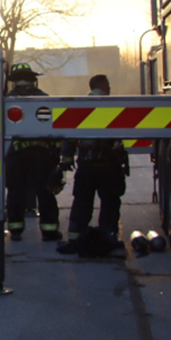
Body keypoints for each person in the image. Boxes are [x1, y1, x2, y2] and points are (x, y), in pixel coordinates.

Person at [57, 74, 130, 254]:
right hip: (109, 166)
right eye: (109, 86)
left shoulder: (80, 106)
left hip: (87, 166)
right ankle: (109, 238)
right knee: (110, 203)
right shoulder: (113, 107)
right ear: (103, 86)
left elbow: (69, 136)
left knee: (82, 202)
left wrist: (66, 160)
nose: (110, 89)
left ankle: (75, 240)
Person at [3, 63, 63, 242]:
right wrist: (56, 154)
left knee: (15, 192)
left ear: (14, 82)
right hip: (41, 154)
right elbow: (53, 128)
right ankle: (49, 231)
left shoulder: (6, 100)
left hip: (15, 154)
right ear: (33, 80)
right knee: (45, 192)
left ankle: (15, 230)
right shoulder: (44, 99)